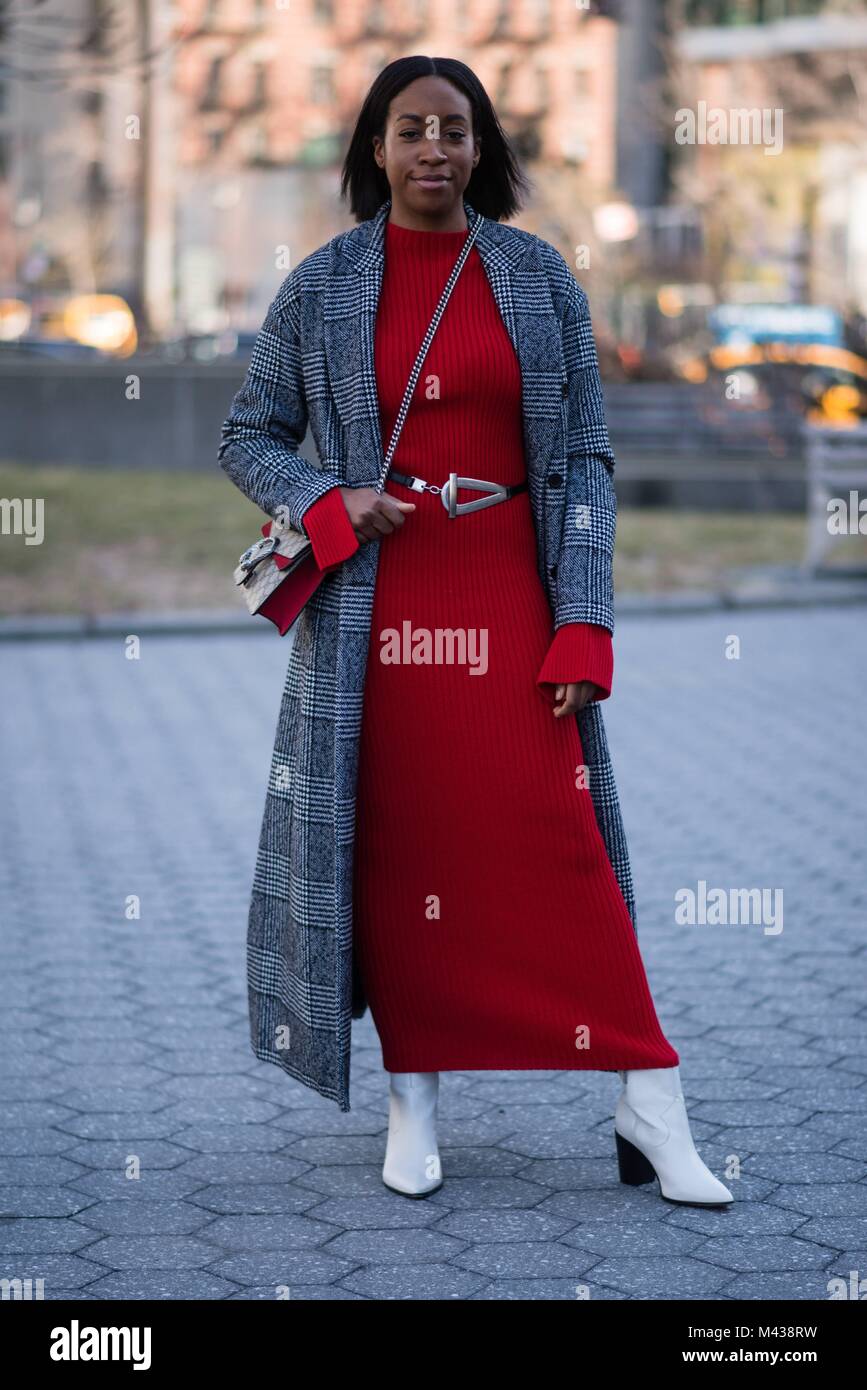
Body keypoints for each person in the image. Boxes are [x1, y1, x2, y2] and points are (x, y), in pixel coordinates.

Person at [218, 55, 732, 1210]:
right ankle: (416, 1093)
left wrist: (586, 620)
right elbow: (246, 433)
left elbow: (588, 456)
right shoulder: (324, 283)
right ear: (376, 149)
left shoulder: (539, 277)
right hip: (375, 615)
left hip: (511, 597)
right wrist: (328, 501)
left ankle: (650, 1096)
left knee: (561, 842)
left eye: (454, 130)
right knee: (406, 854)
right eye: (411, 131)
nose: (434, 151)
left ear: (483, 146)